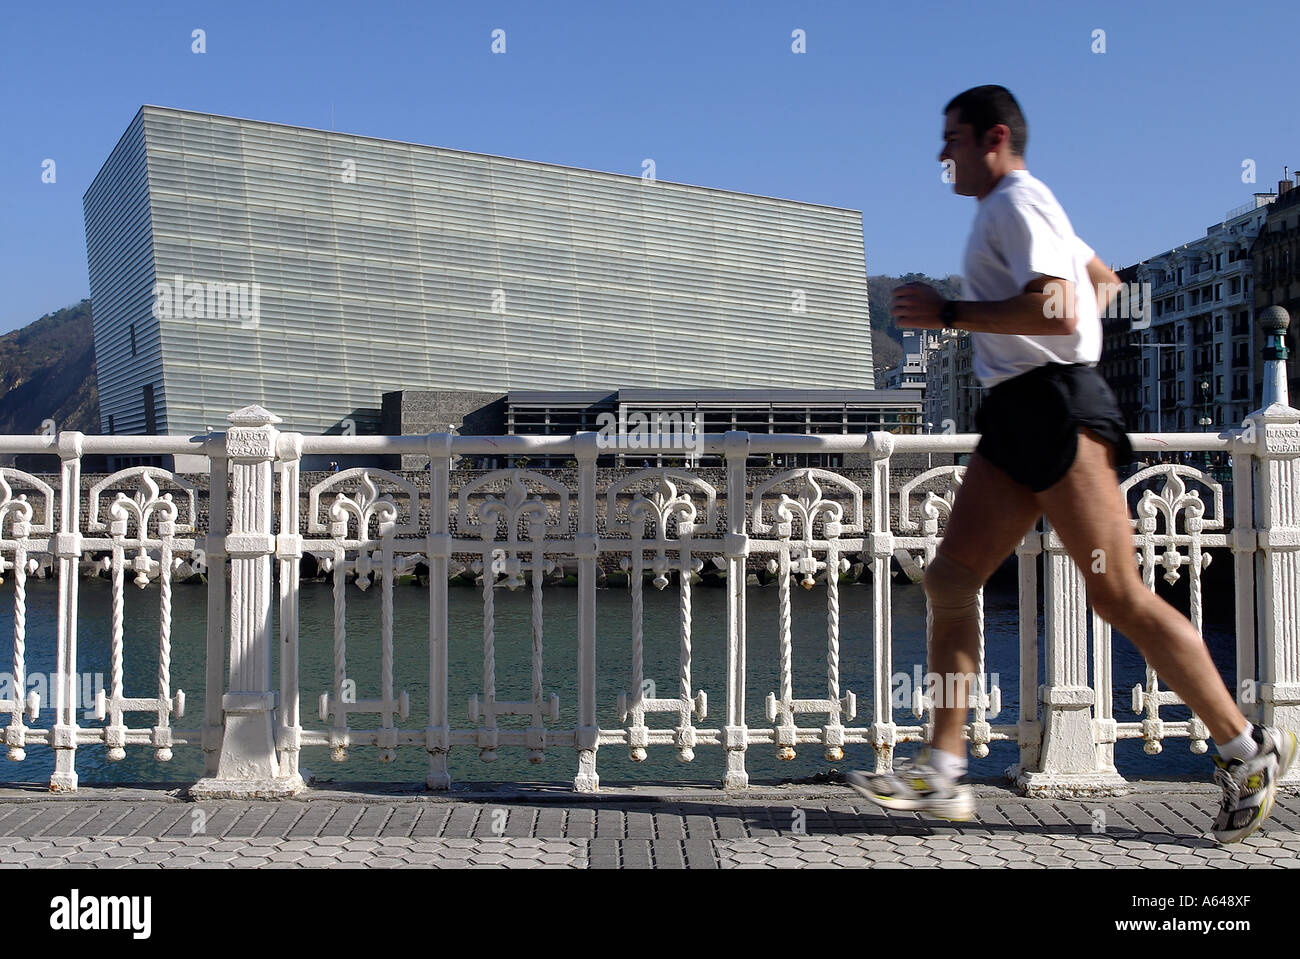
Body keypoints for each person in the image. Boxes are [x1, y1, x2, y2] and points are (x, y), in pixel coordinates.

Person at [847, 85, 1295, 844]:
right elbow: (1105, 284)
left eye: (951, 138)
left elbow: (1056, 306)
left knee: (1118, 594)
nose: (941, 154)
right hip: (1020, 413)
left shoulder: (1015, 204)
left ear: (994, 138)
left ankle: (1246, 748)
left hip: (1055, 409)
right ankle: (944, 769)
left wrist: (952, 312)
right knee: (953, 580)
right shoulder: (1028, 208)